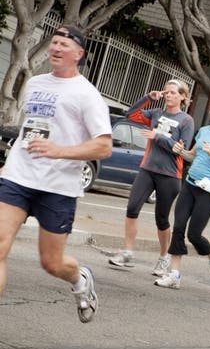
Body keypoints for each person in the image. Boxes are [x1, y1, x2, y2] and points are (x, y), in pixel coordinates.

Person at [0, 25, 111, 322]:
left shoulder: (87, 95)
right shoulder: (36, 83)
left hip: (58, 186)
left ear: (79, 54)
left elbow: (103, 147)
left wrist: (58, 151)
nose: (56, 48)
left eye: (64, 44)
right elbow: (31, 127)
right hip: (18, 177)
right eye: (54, 42)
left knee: (52, 263)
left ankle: (80, 280)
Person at [108, 80, 194, 275]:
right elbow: (130, 114)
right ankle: (128, 252)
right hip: (147, 169)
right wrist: (147, 98)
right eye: (167, 92)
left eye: (173, 93)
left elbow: (179, 148)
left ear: (182, 96)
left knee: (161, 219)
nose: (169, 95)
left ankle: (164, 257)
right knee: (132, 208)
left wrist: (157, 136)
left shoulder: (186, 120)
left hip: (170, 175)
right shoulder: (156, 114)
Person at [154, 94, 210, 288]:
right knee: (178, 227)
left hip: (208, 190)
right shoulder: (204, 131)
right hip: (190, 184)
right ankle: (174, 274)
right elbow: (192, 155)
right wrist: (180, 150)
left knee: (194, 235)